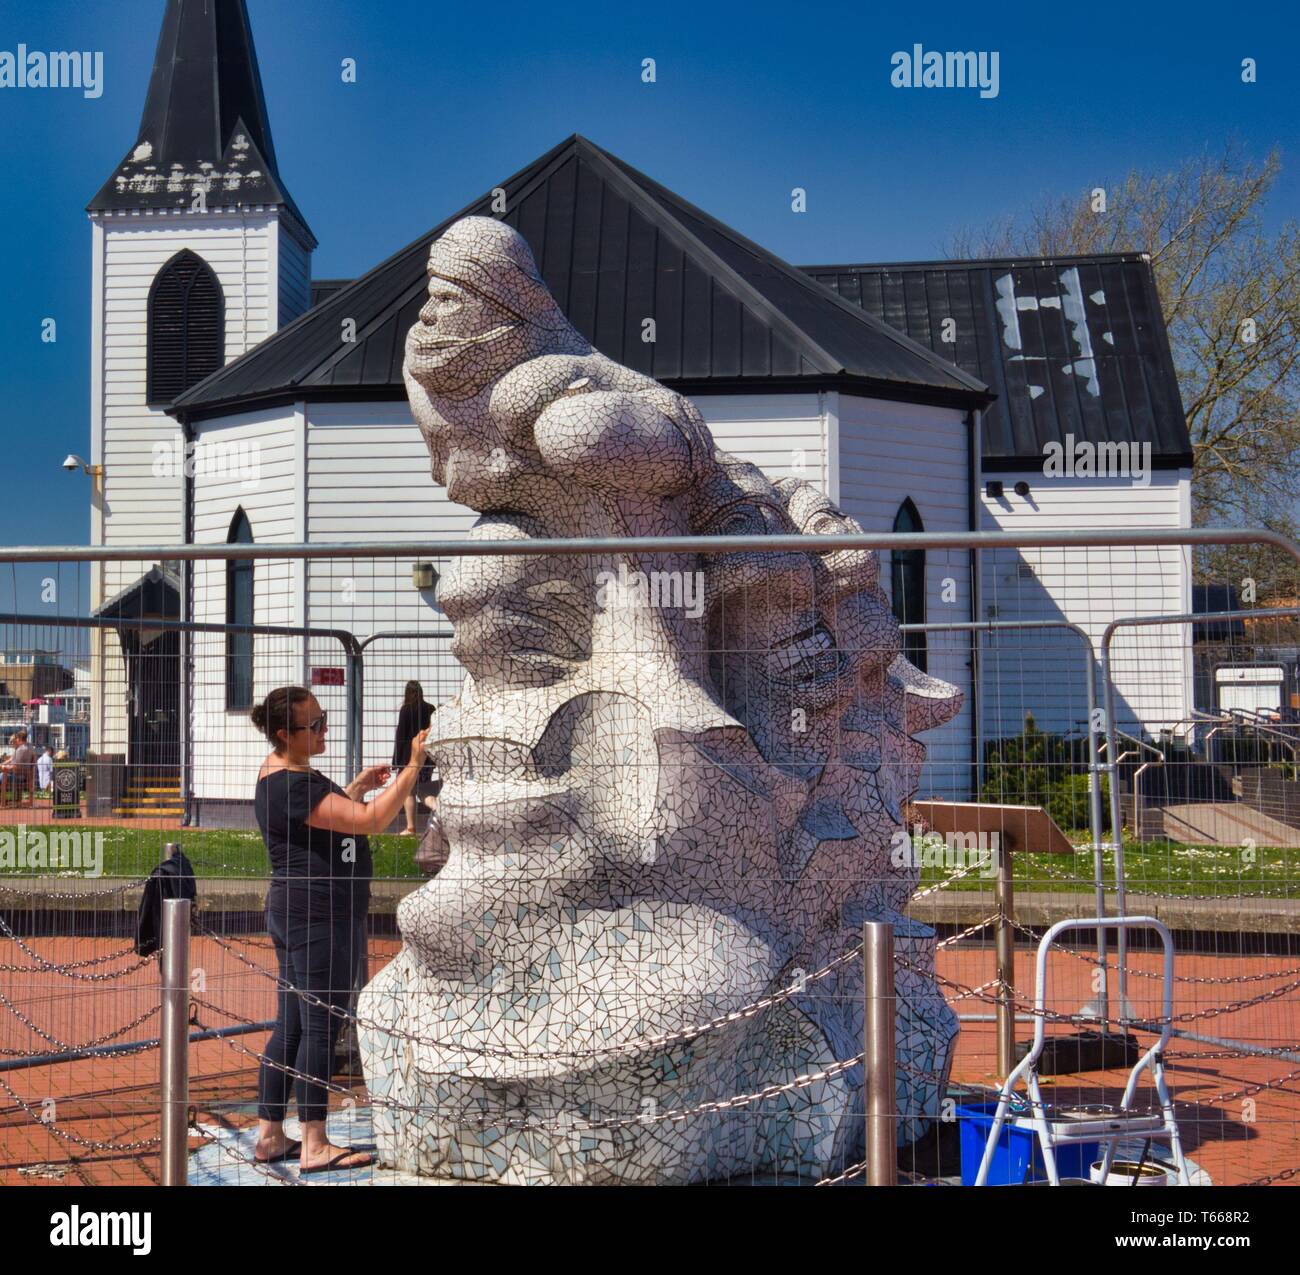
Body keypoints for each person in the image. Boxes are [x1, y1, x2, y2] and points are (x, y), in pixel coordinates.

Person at [250, 685, 428, 1173]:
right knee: (320, 1028)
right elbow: (369, 822)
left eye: (324, 719)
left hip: (298, 910)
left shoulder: (281, 772)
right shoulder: (293, 785)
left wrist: (356, 788)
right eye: (315, 726)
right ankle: (315, 1143)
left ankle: (269, 1135)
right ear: (286, 734)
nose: (324, 729)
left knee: (291, 1025)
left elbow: (332, 821)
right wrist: (411, 767)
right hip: (317, 915)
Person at [392, 680, 436, 836]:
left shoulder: (406, 710)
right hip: (426, 756)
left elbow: (401, 736)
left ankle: (410, 827)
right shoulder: (431, 709)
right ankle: (439, 810)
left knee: (408, 792)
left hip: (408, 758)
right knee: (424, 789)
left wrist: (396, 761)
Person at [0, 731, 37, 799]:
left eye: (16, 738)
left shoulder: (20, 750)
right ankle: (16, 799)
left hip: (18, 777)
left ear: (19, 739)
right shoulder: (31, 748)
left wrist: (4, 767)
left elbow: (15, 766)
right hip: (27, 776)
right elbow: (34, 761)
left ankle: (3, 801)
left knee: (2, 775)